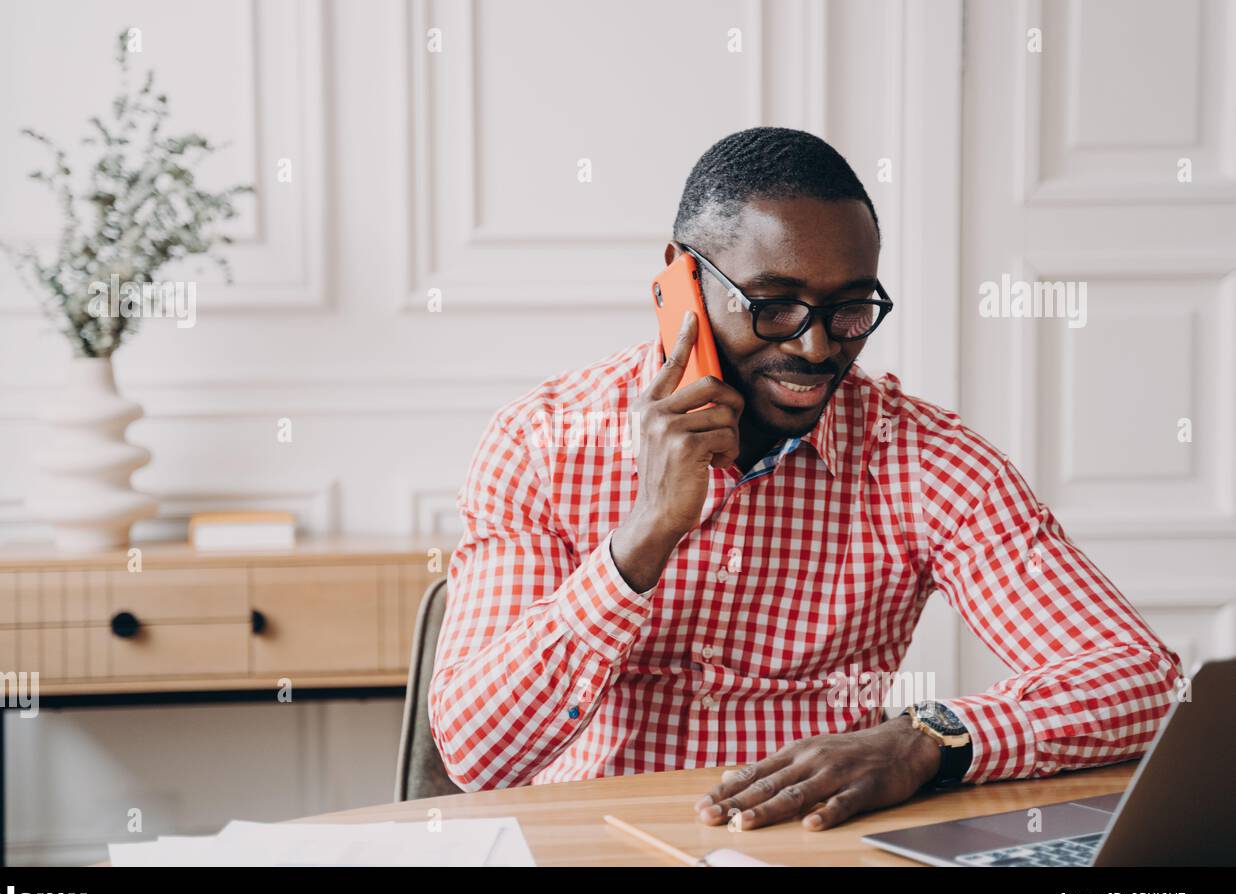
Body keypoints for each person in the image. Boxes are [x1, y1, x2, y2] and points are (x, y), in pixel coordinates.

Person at [428, 127, 1182, 831]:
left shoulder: (927, 460)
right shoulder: (540, 441)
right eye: (773, 304)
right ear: (682, 276)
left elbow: (1142, 682)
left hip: (812, 846)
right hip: (590, 845)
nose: (817, 346)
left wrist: (922, 740)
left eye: (849, 308)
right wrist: (643, 536)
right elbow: (478, 755)